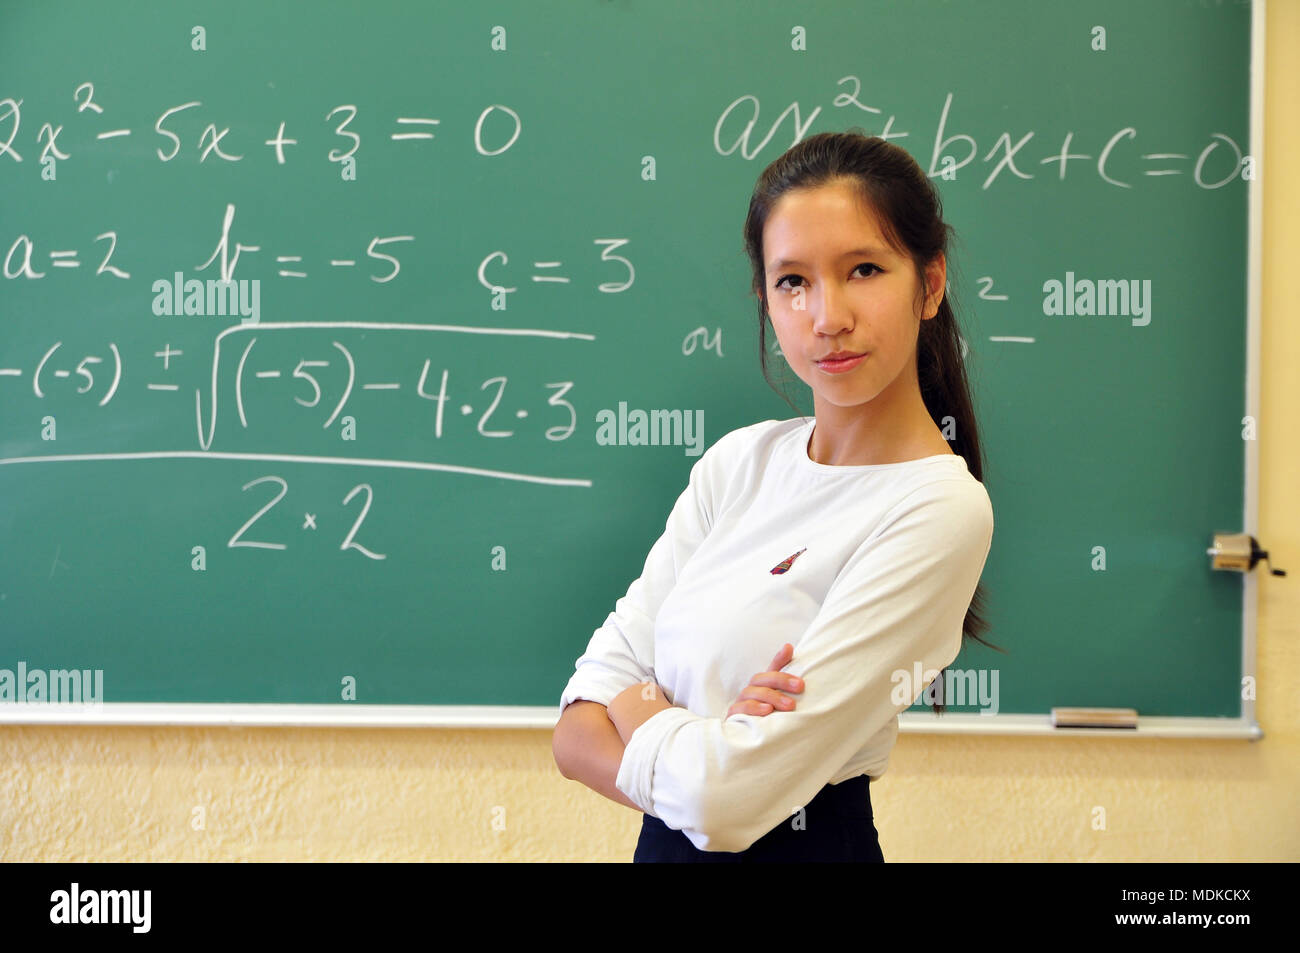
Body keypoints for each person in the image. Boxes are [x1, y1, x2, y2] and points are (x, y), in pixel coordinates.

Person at [551, 130, 996, 862]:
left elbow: (727, 805)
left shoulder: (938, 507)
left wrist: (641, 707)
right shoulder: (739, 463)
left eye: (862, 269)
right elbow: (573, 734)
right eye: (793, 281)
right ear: (765, 295)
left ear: (930, 282)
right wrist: (709, 745)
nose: (827, 317)